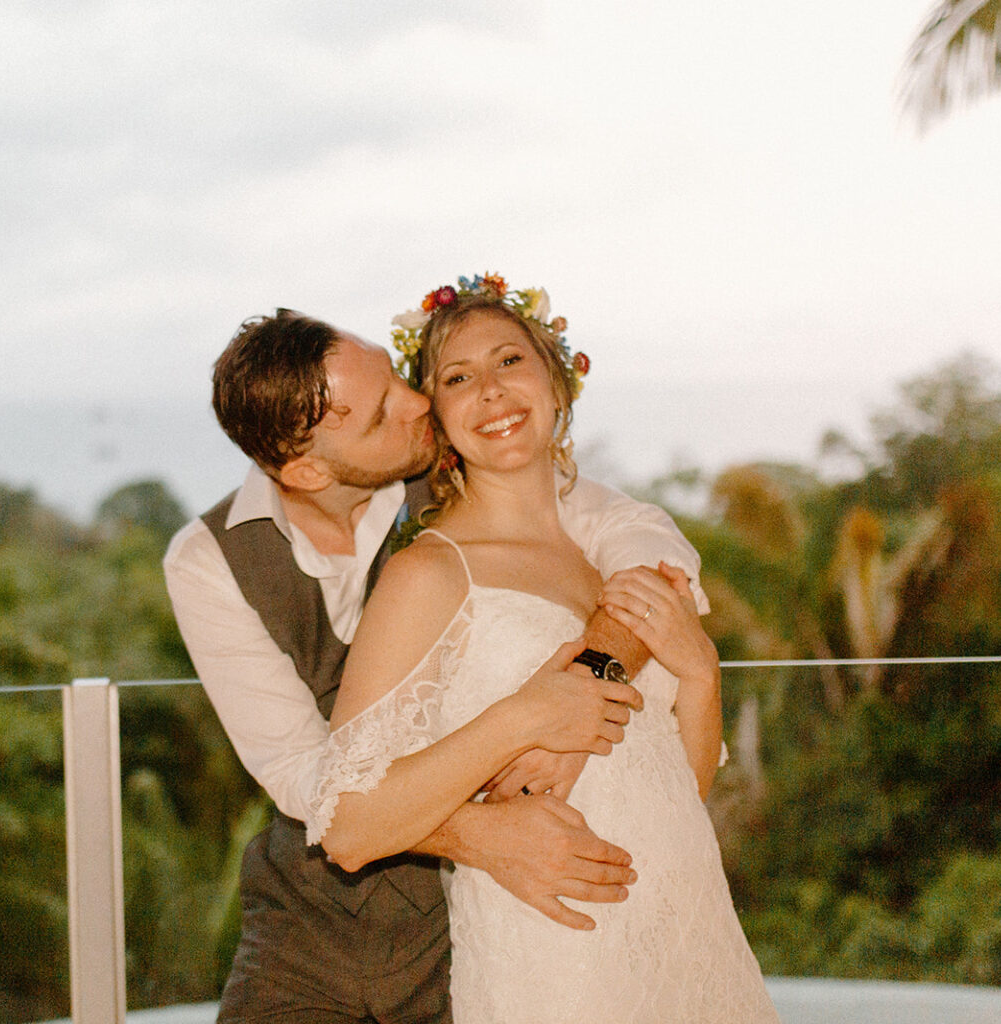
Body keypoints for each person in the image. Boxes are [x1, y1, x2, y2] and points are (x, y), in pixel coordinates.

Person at [164, 305, 713, 1022]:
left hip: (459, 924)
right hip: (306, 932)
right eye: (382, 413)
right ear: (303, 468)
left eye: (396, 377)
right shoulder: (207, 560)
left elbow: (647, 549)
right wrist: (483, 833)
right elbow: (305, 775)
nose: (418, 401)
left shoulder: (465, 474)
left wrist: (585, 685)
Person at [305, 276, 779, 1023]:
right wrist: (523, 718)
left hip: (689, 945)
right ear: (438, 420)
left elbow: (673, 795)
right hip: (561, 962)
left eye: (509, 362)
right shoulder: (428, 572)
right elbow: (345, 825)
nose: (490, 392)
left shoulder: (606, 563)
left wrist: (701, 675)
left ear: (558, 383)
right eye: (458, 378)